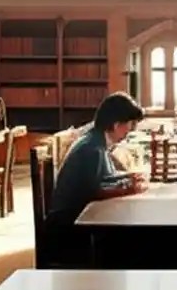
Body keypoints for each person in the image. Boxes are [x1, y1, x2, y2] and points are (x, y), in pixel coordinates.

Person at [48, 92, 148, 224]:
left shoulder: (96, 139)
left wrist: (128, 177)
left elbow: (105, 178)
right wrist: (128, 190)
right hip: (69, 222)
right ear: (116, 124)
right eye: (129, 126)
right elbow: (95, 192)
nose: (129, 132)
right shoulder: (92, 148)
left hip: (77, 214)